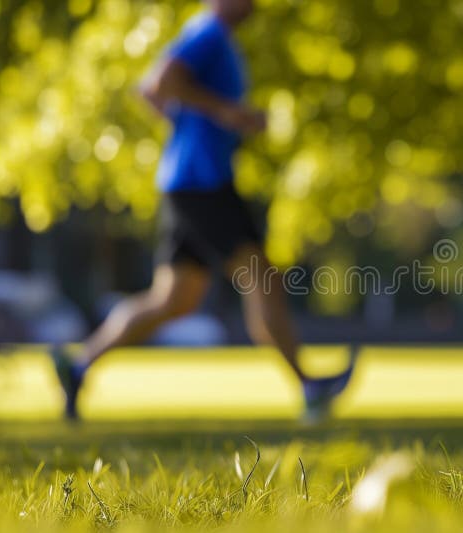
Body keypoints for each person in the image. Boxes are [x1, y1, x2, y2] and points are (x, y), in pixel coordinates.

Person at [52, 0, 355, 422]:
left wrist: (200, 119)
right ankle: (308, 387)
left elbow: (151, 92)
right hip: (203, 183)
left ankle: (78, 365)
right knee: (262, 278)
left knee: (173, 300)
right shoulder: (209, 33)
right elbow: (160, 82)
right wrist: (222, 111)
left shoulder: (210, 36)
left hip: (186, 182)